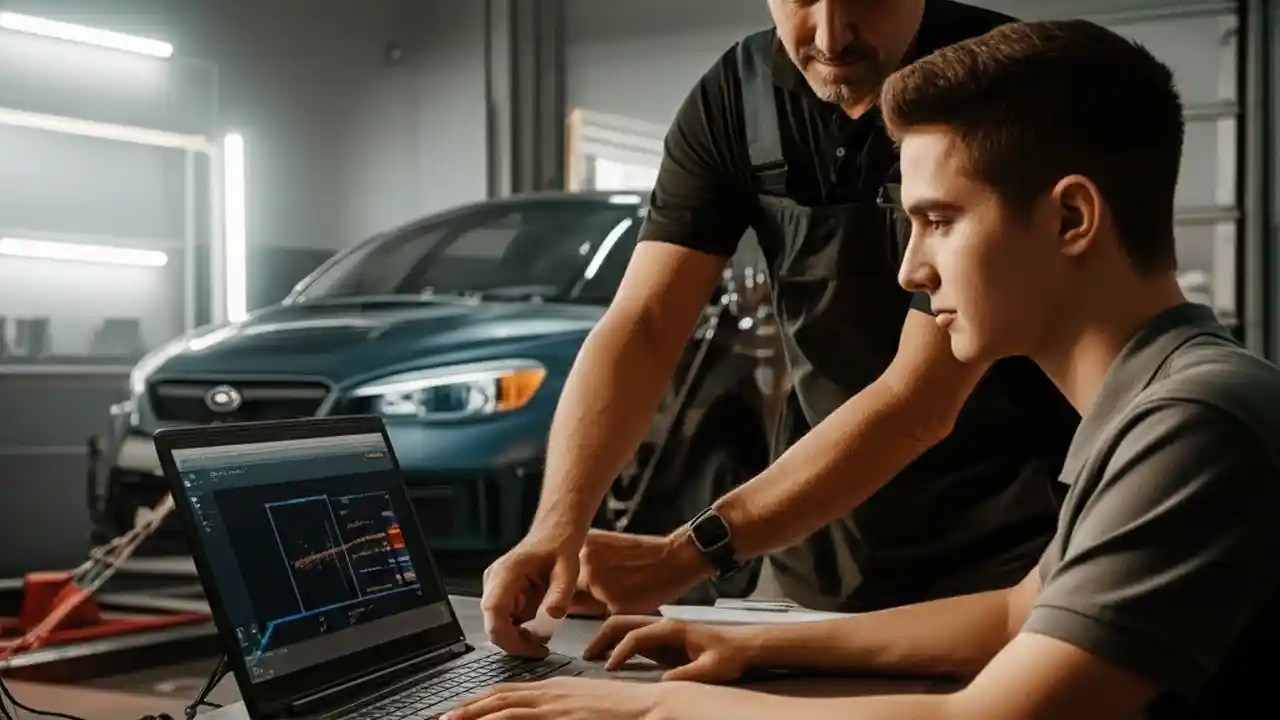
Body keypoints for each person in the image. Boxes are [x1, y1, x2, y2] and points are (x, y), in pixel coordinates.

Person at [445, 18, 1280, 720]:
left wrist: (659, 706)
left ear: (1070, 217)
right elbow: (1015, 614)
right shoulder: (1153, 402)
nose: (911, 272)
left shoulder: (1193, 424)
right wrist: (748, 645)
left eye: (938, 221)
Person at [483, 0, 1082, 655]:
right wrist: (557, 529)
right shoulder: (735, 100)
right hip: (808, 549)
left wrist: (686, 555)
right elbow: (644, 325)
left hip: (1009, 551)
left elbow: (916, 402)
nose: (829, 37)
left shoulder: (1007, 80)